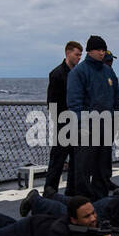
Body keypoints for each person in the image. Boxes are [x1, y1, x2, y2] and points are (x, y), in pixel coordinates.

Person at [66, 36, 119, 200]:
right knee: (83, 168)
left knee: (103, 168)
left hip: (106, 126)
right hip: (87, 129)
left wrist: (117, 121)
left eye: (104, 50)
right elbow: (75, 103)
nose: (102, 53)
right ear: (90, 51)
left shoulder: (109, 72)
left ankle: (101, 200)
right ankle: (82, 203)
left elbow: (115, 98)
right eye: (99, 49)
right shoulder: (79, 72)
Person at [44, 41, 84, 196]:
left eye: (80, 55)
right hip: (64, 122)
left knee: (76, 160)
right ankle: (49, 192)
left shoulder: (78, 74)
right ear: (68, 53)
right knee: (58, 160)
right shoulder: (57, 74)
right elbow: (52, 101)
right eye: (77, 54)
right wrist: (60, 122)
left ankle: (71, 193)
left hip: (77, 122)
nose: (79, 58)